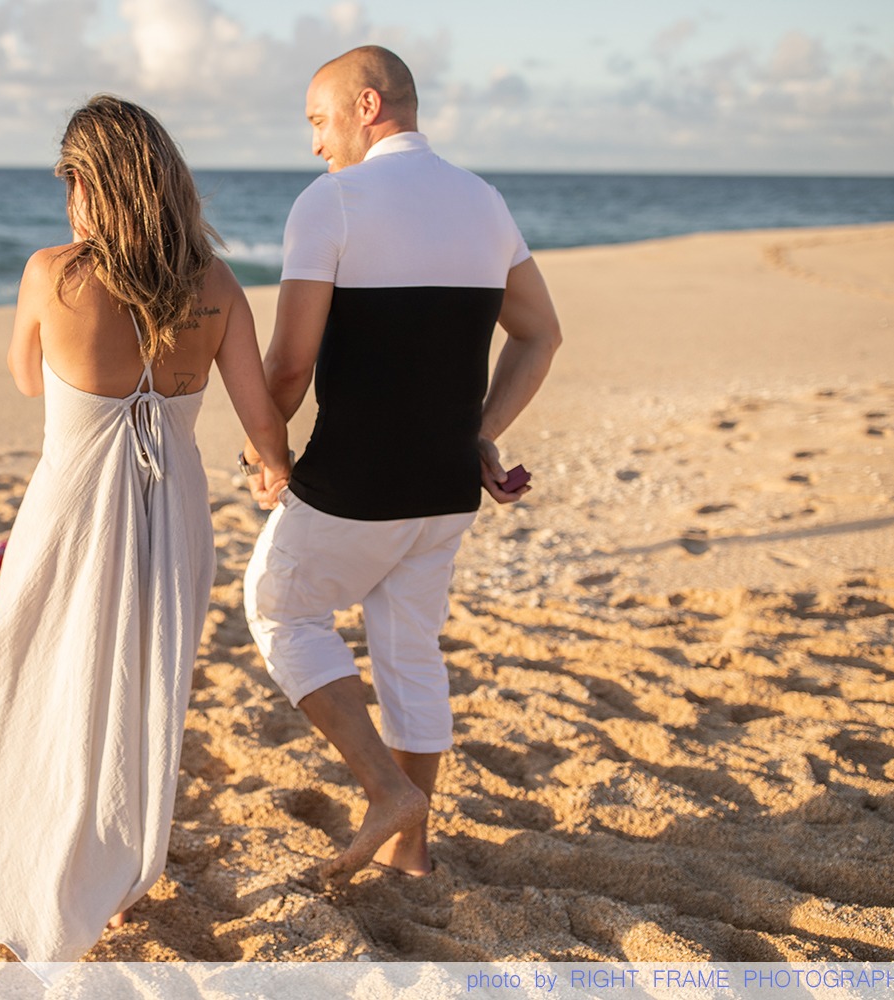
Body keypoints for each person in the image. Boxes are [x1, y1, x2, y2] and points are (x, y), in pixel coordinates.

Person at [0, 95, 291, 964]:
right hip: (172, 517)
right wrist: (270, 472)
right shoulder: (215, 287)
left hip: (67, 517)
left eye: (70, 182)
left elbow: (23, 377)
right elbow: (264, 428)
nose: (65, 202)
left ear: (90, 185)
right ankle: (110, 876)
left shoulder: (52, 275)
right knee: (139, 693)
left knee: (26, 675)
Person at [241, 46, 562, 885]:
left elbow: (286, 368)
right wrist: (480, 432)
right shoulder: (483, 201)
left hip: (355, 487)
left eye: (319, 120)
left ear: (367, 105)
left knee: (279, 610)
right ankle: (412, 852)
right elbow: (540, 333)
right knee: (410, 652)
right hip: (444, 490)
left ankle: (387, 793)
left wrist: (266, 454)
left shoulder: (333, 201)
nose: (314, 144)